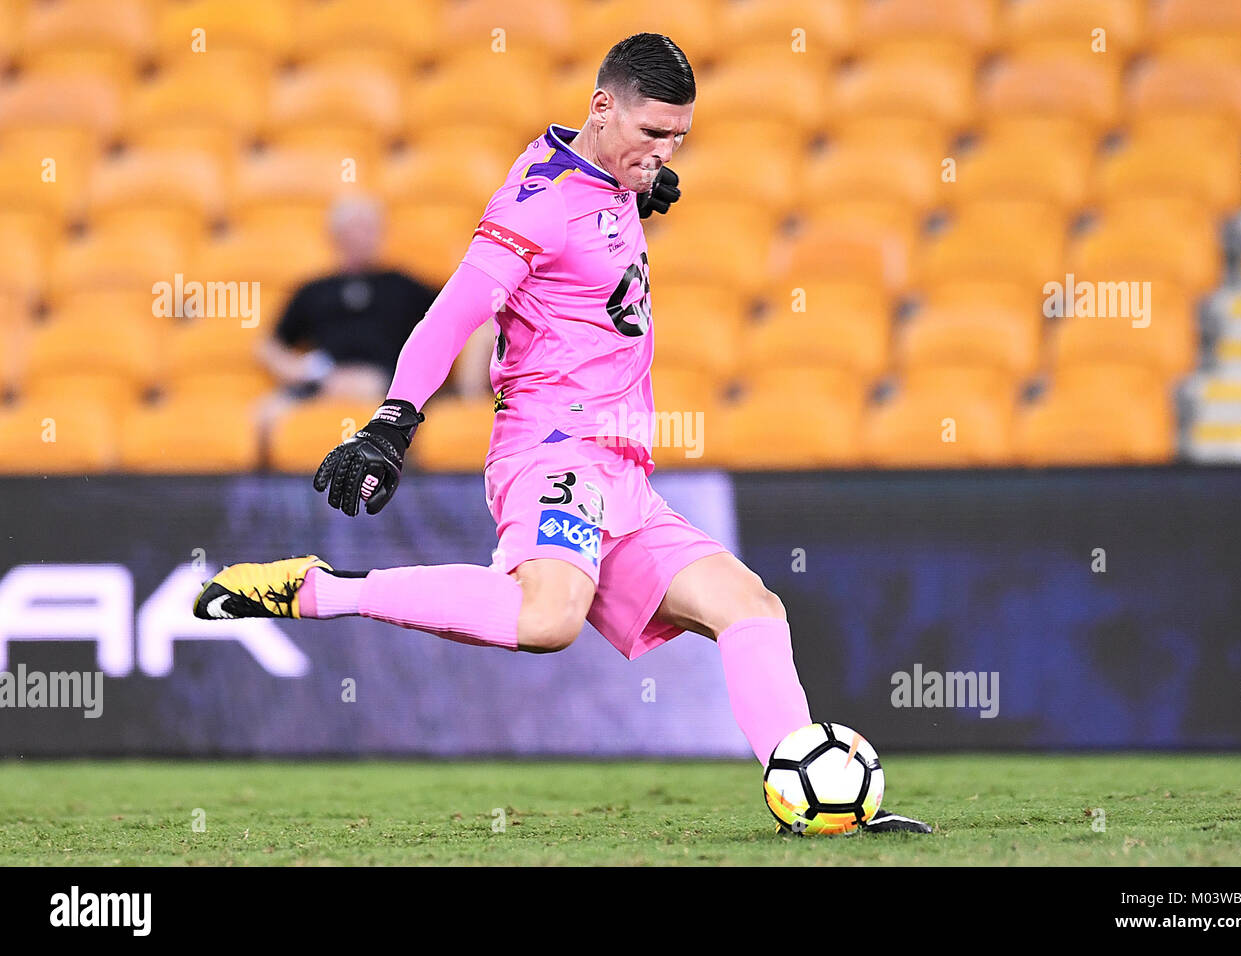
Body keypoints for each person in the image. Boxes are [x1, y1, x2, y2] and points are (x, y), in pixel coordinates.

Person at [195, 33, 930, 834]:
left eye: (678, 134)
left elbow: (592, 229)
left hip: (621, 467)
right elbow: (455, 311)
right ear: (602, 107)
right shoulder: (538, 201)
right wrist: (392, 421)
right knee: (546, 620)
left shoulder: (602, 172)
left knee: (751, 607)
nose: (665, 149)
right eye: (652, 133)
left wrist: (634, 181)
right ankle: (318, 589)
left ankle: (818, 808)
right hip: (552, 449)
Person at [255, 195, 494, 451]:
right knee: (264, 414)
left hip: (389, 385)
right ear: (335, 236)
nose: (363, 237)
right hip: (324, 382)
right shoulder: (314, 290)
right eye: (354, 229)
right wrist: (299, 370)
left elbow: (458, 314)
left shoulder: (402, 285)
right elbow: (269, 344)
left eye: (369, 228)